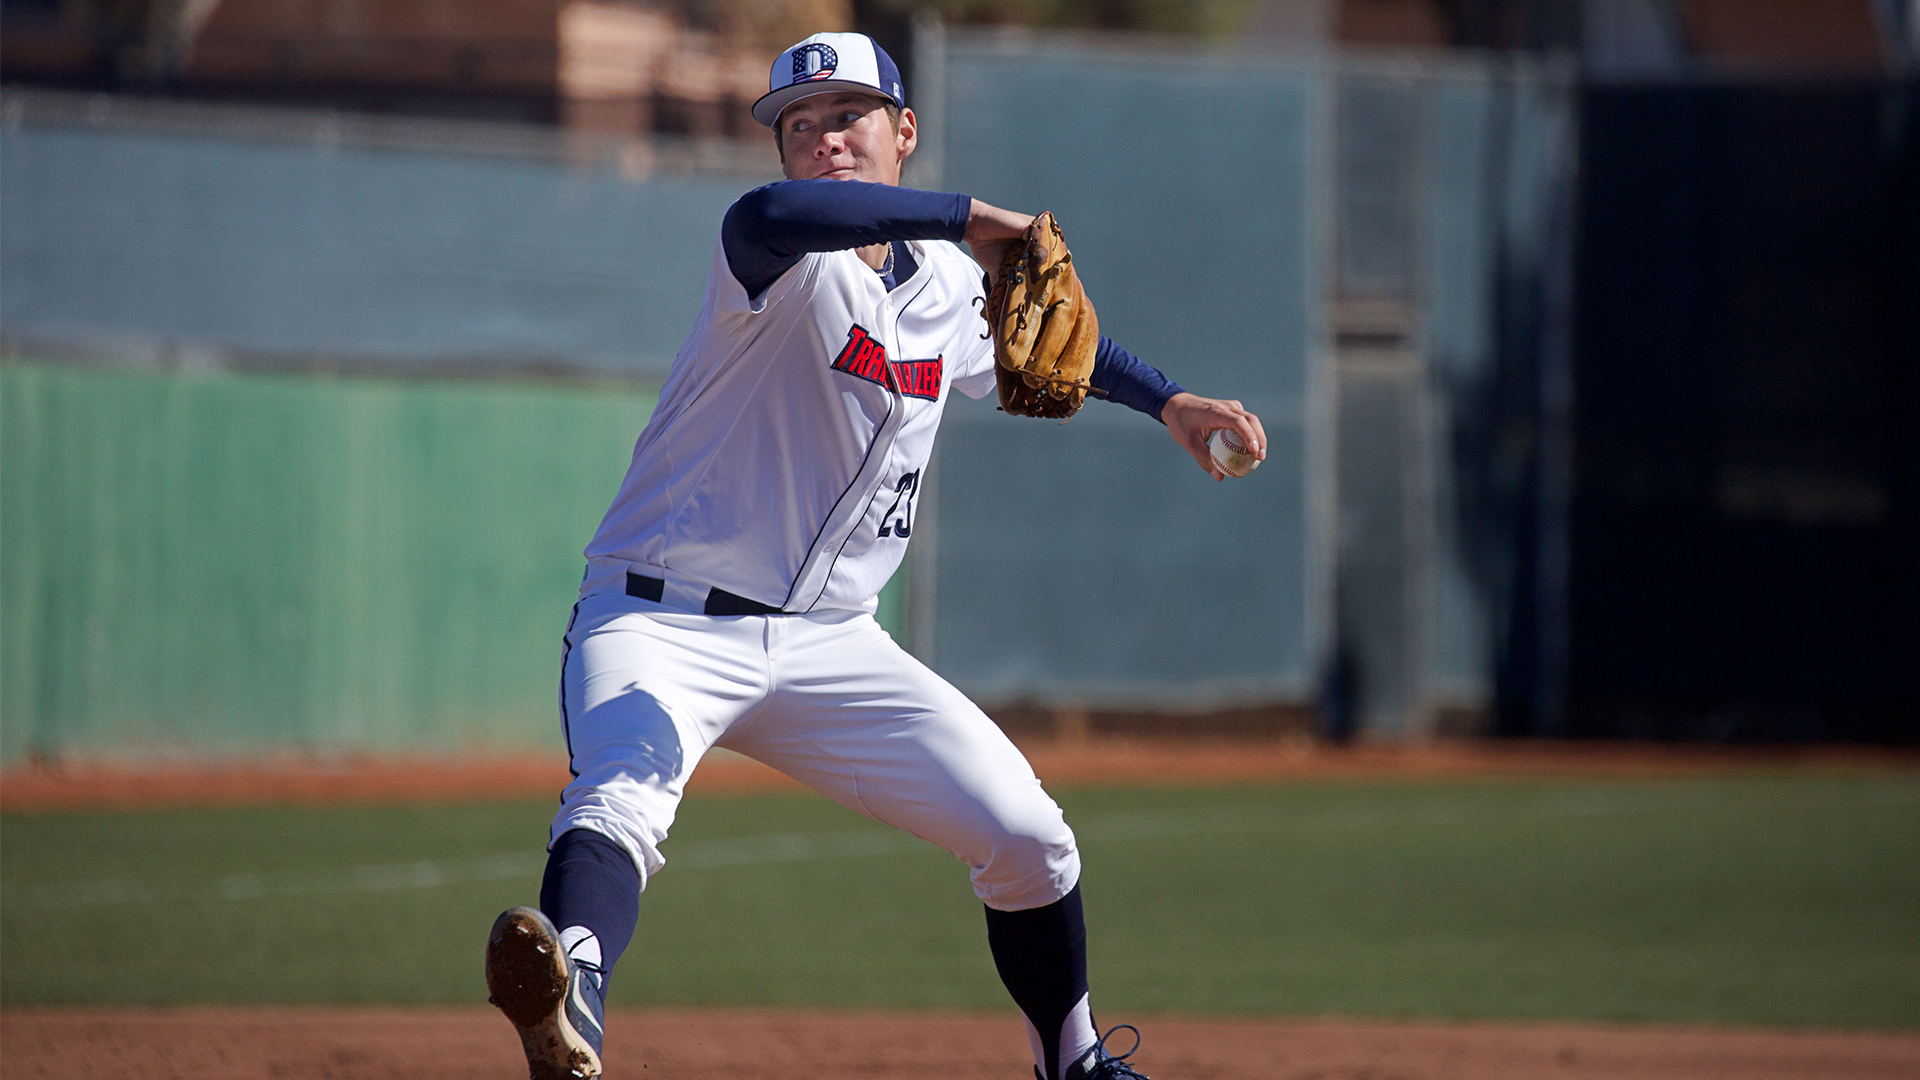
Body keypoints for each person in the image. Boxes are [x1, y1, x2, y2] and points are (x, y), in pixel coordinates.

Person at [482, 31, 1267, 1080]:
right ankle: (571, 990)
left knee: (1029, 837)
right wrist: (980, 215)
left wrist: (1168, 399)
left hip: (829, 648)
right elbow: (778, 213)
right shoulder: (767, 257)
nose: (823, 140)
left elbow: (1061, 350)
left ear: (905, 131)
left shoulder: (946, 289)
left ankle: (1072, 1062)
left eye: (847, 115)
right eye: (799, 126)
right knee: (624, 788)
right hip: (660, 622)